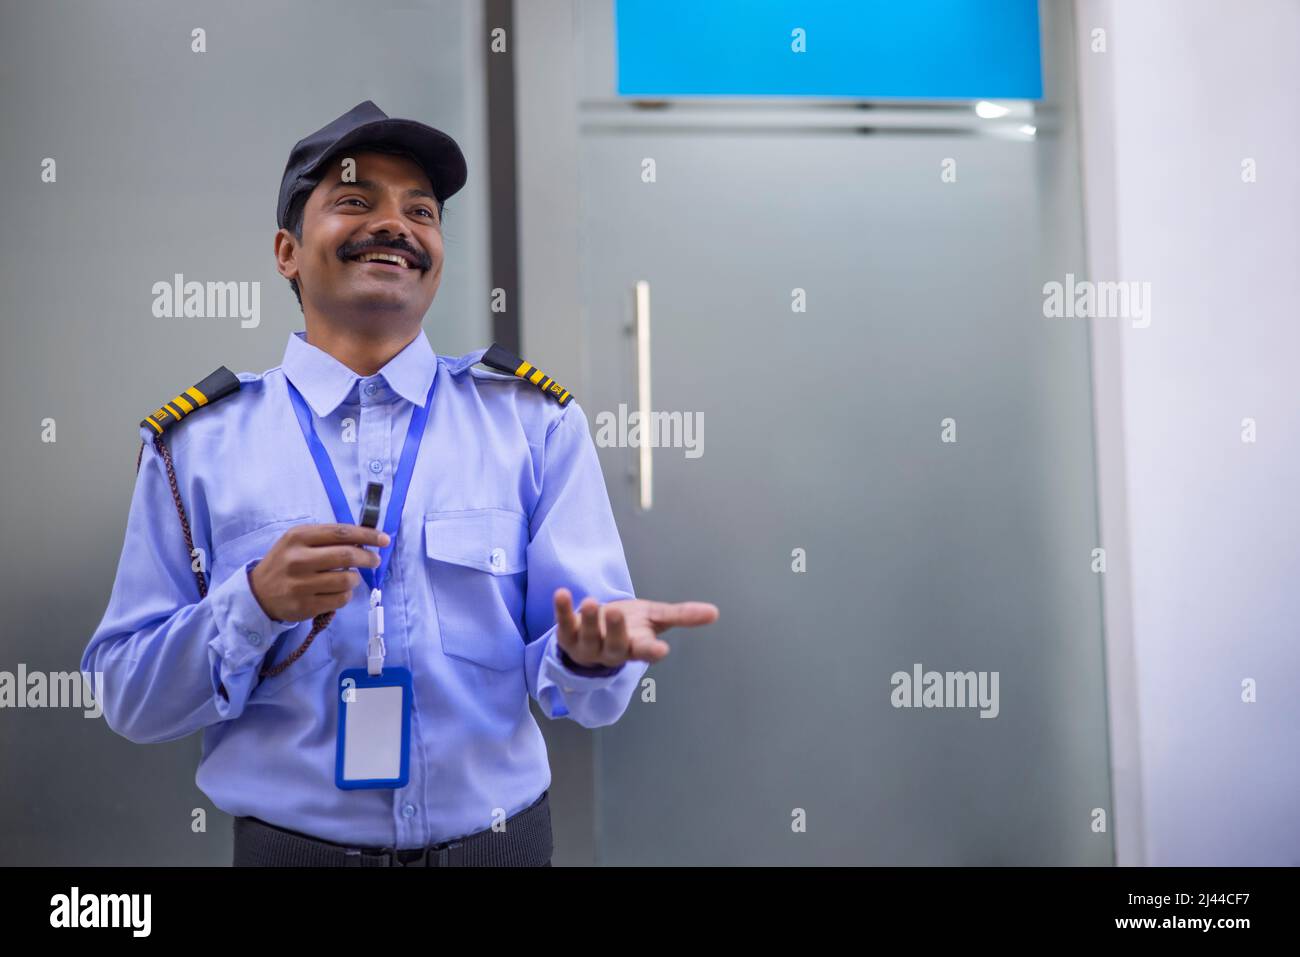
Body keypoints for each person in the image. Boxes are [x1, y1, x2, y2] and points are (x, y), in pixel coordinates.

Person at [81, 101, 718, 867]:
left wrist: (589, 655)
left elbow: (590, 689)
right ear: (287, 251)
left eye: (421, 210)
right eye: (356, 201)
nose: (396, 224)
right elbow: (128, 695)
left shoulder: (532, 425)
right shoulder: (195, 447)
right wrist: (251, 602)